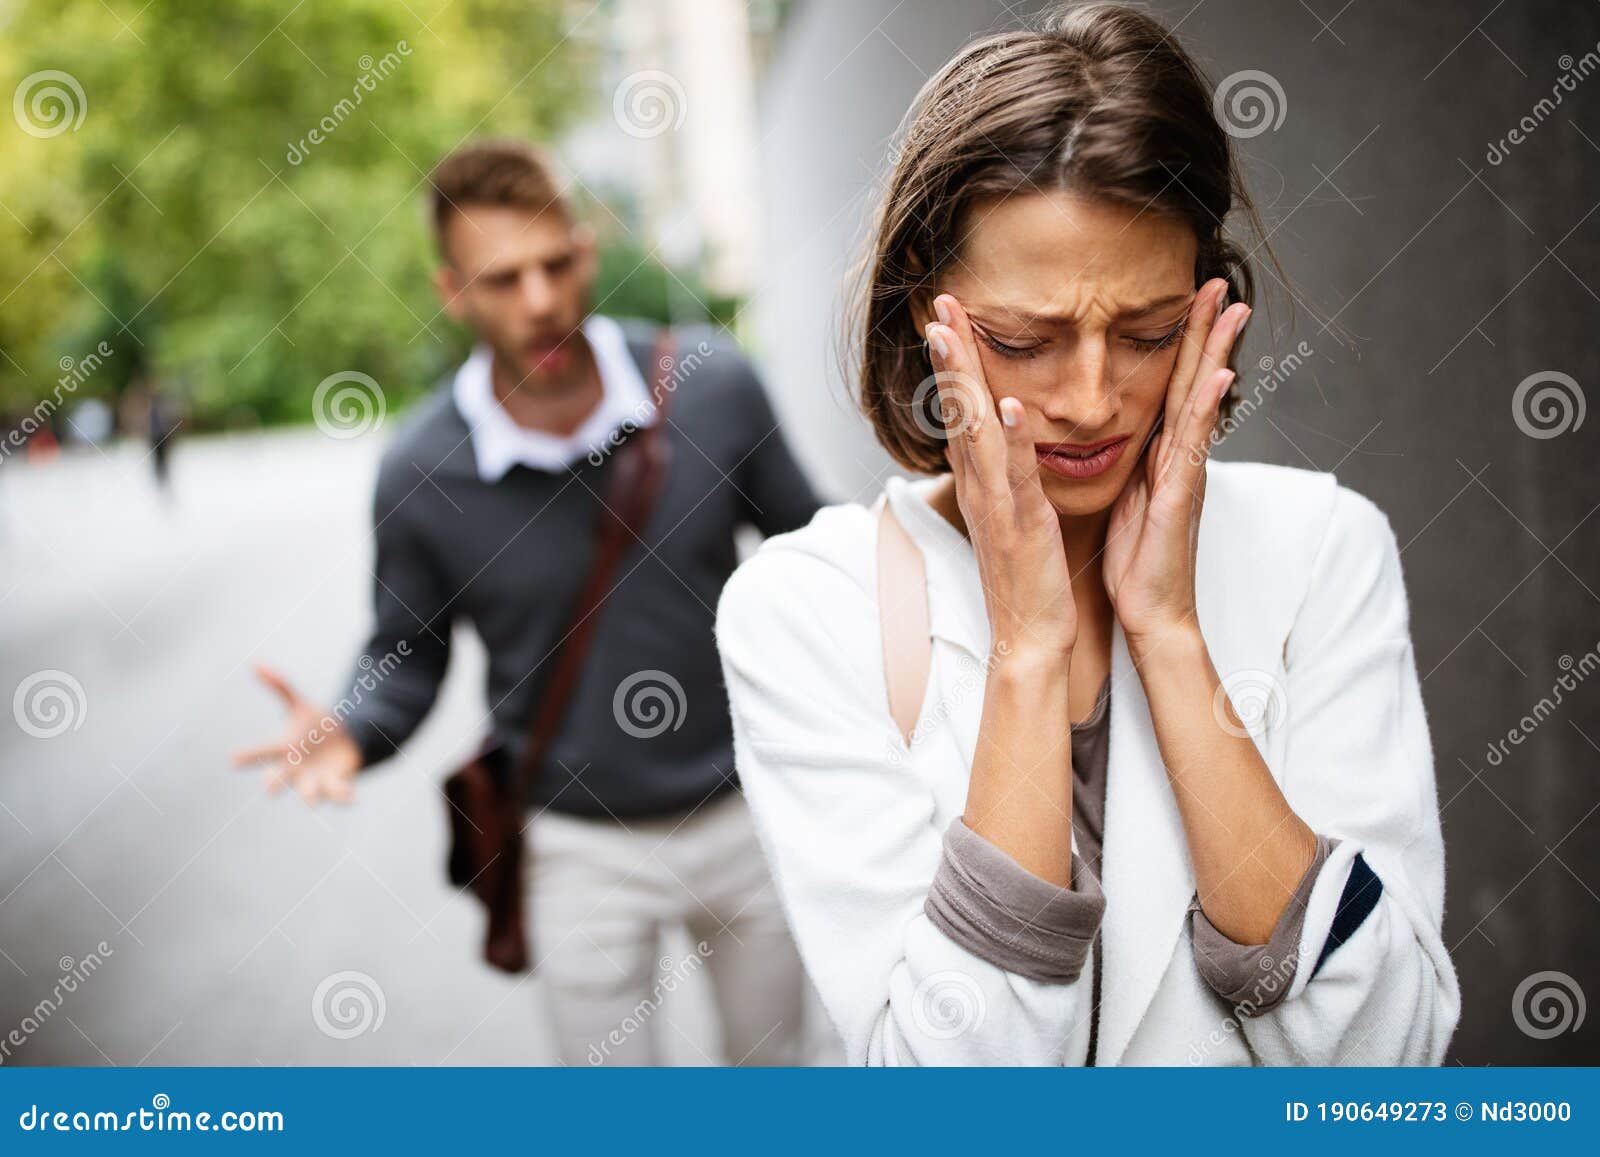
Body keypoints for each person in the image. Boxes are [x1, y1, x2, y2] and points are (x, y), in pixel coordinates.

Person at [715, 2, 1459, 1066]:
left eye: (1148, 332)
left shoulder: (1323, 549)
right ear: (926, 309)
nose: (1092, 397)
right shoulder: (806, 607)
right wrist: (1026, 649)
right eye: (1026, 340)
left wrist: (1165, 630)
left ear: (1209, 305)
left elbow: (1387, 1055)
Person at [235, 139, 820, 1066]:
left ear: (586, 251)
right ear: (453, 291)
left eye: (556, 263)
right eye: (503, 279)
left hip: (748, 813)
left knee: (780, 1083)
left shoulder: (712, 384)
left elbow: (816, 555)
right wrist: (350, 728)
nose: (541, 299)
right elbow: (408, 654)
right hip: (573, 845)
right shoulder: (420, 472)